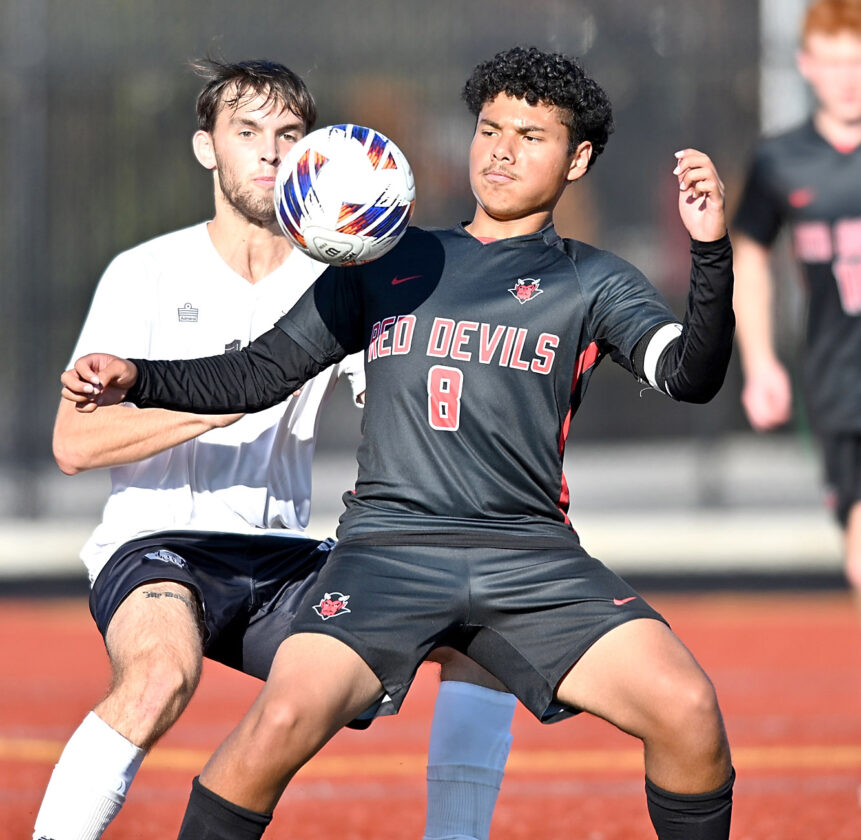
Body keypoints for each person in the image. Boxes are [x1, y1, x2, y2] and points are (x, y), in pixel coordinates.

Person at [62, 46, 737, 839]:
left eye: (531, 134)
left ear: (577, 157)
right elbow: (255, 375)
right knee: (278, 722)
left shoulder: (594, 281)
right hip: (385, 551)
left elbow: (690, 375)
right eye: (489, 128)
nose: (502, 149)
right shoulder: (390, 257)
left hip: (528, 557)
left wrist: (709, 252)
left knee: (689, 710)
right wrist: (136, 375)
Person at [35, 58, 516, 840]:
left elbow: (400, 412)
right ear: (206, 149)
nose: (268, 151)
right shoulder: (145, 272)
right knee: (160, 676)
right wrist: (229, 396)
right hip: (158, 549)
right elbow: (74, 442)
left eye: (289, 135)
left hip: (283, 556)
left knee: (484, 636)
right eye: (247, 132)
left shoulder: (341, 278)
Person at [733, 0, 861, 595]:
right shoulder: (781, 159)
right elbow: (750, 253)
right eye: (833, 62)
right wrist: (760, 364)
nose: (847, 78)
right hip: (842, 383)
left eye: (857, 62)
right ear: (806, 65)